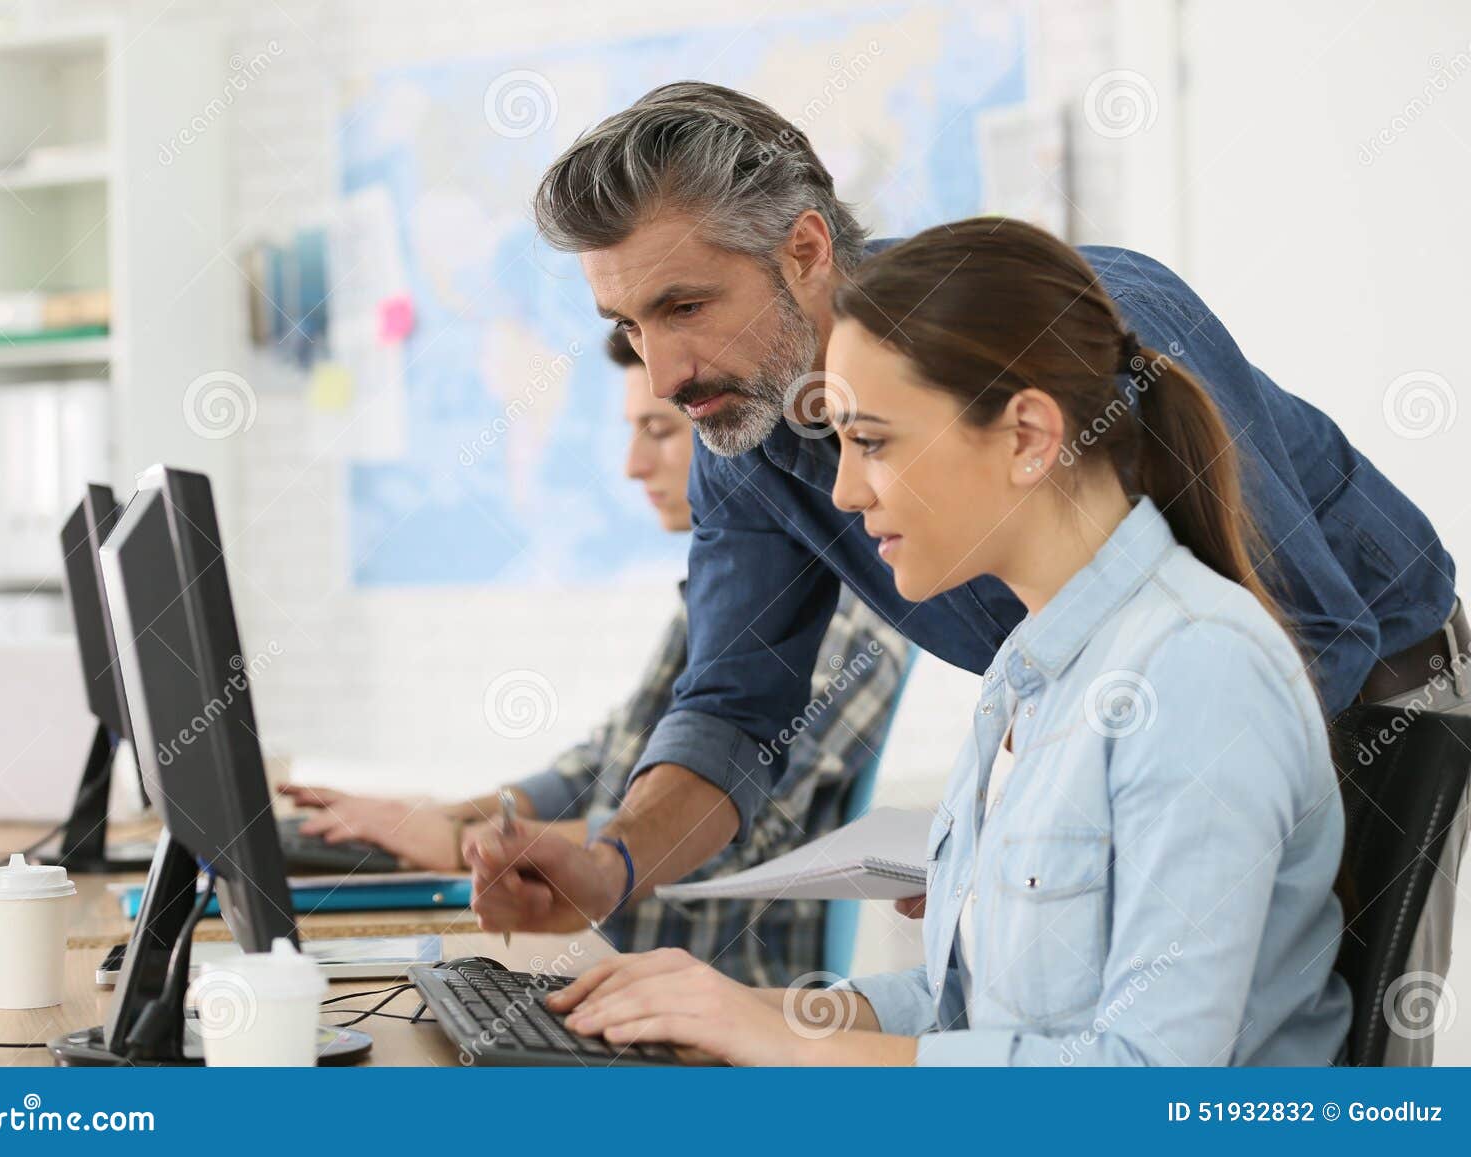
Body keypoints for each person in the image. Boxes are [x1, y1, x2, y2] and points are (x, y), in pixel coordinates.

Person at [466, 82, 1466, 1064]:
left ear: (804, 251)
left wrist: (1057, 856)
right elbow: (734, 705)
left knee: (1309, 1043)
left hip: (1366, 676)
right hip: (1134, 718)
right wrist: (610, 864)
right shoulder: (751, 436)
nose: (663, 372)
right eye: (629, 327)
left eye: (685, 304)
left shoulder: (1079, 337)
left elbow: (1309, 635)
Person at [538, 219, 1353, 1065]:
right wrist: (730, 1005)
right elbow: (962, 1002)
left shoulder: (1197, 669)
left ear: (1030, 437)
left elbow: (1143, 1082)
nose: (847, 492)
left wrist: (768, 1038)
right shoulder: (1023, 672)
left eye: (874, 442)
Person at [283, 328, 910, 985]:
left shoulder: (845, 624)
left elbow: (723, 839)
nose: (632, 465)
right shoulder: (718, 596)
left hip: (708, 984)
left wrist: (457, 841)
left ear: (734, 434)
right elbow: (600, 763)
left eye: (659, 433)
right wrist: (449, 818)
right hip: (614, 965)